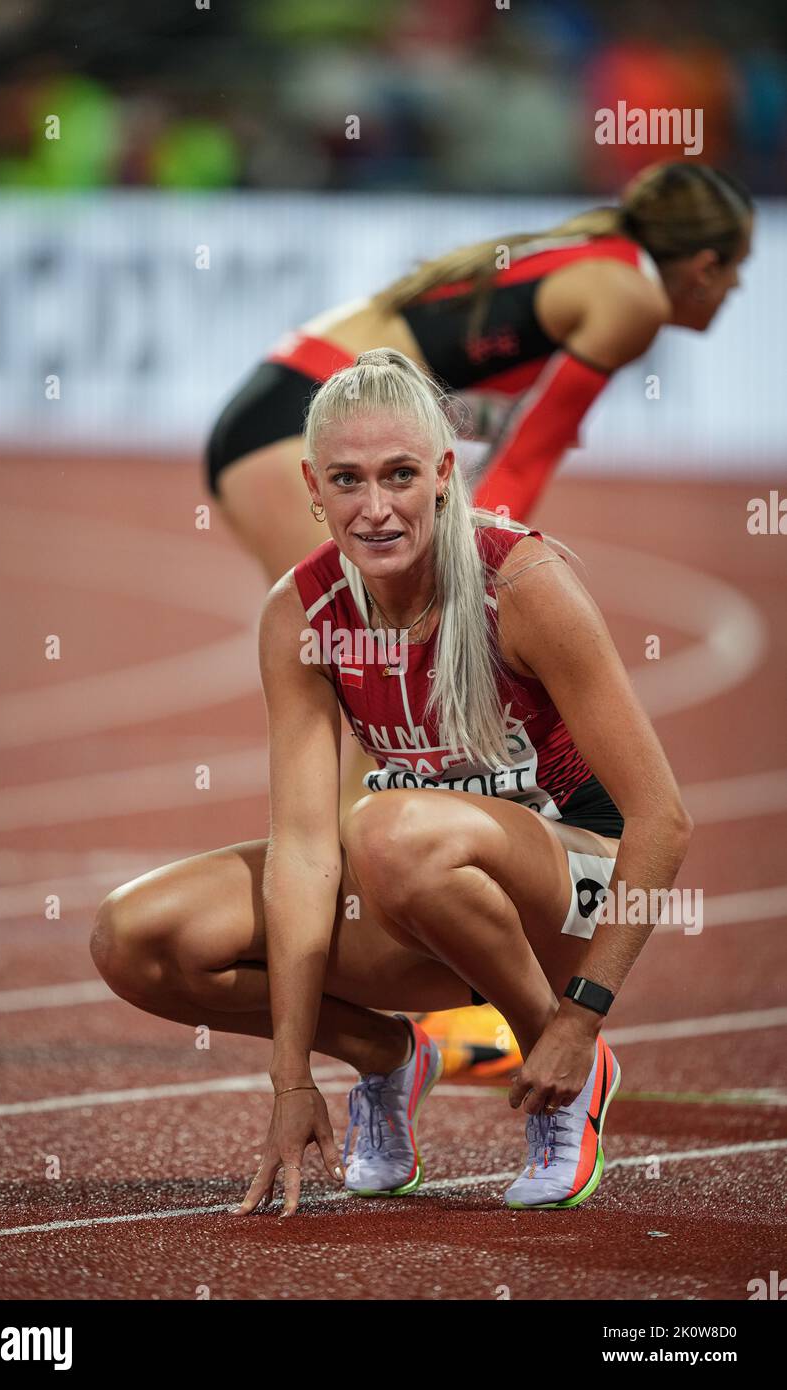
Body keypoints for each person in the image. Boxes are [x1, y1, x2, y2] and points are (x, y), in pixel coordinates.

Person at [91, 349, 693, 1217]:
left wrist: (583, 1013)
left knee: (386, 828)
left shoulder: (520, 584)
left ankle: (559, 1062)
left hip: (567, 896)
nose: (375, 509)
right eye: (348, 480)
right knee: (135, 937)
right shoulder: (300, 615)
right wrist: (291, 1073)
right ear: (312, 486)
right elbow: (302, 850)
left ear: (445, 472)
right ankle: (385, 1056)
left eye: (400, 475)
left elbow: (663, 822)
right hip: (421, 893)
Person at [204, 159, 751, 1077]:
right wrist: (490, 568)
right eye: (733, 271)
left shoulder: (594, 255)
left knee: (379, 677)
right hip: (308, 417)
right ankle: (395, 945)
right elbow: (532, 453)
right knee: (355, 668)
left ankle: (407, 918)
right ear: (698, 264)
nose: (735, 291)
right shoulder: (630, 299)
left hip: (282, 394)